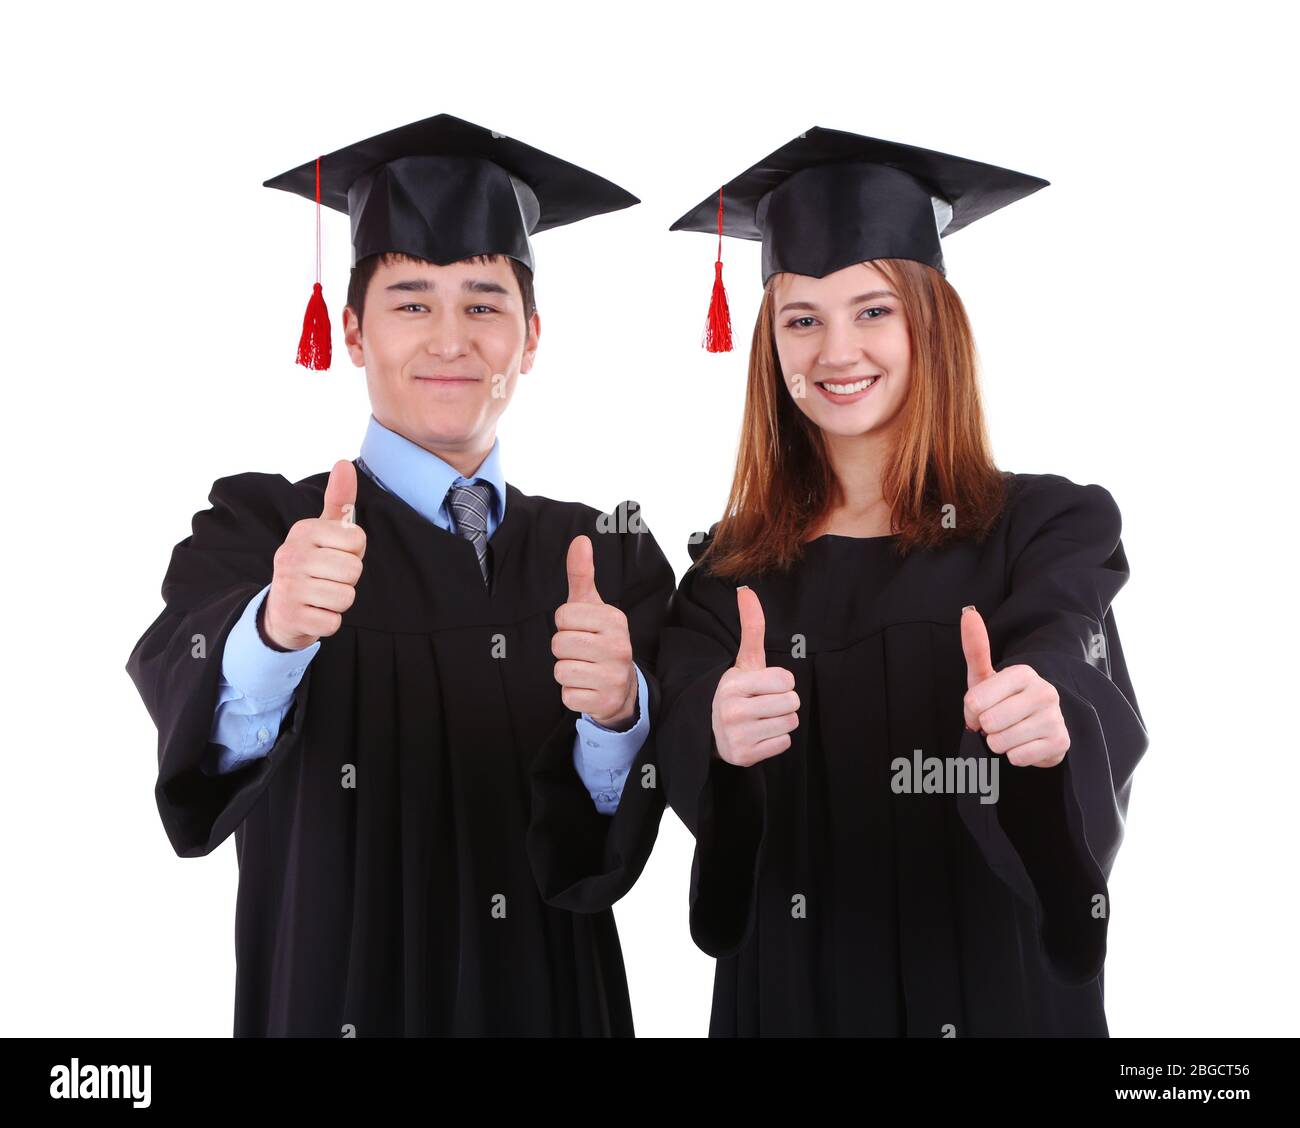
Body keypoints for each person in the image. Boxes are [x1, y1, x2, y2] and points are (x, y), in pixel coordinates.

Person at [125, 113, 674, 1036]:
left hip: (548, 1001)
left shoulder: (605, 556)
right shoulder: (262, 526)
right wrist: (273, 630)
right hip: (338, 990)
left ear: (531, 337)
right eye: (412, 302)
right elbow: (201, 745)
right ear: (351, 330)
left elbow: (627, 834)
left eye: (484, 304)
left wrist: (620, 715)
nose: (450, 340)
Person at [657, 127, 1149, 1036]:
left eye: (873, 310)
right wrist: (714, 734)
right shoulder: (727, 574)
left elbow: (1062, 652)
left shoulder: (1045, 529)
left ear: (933, 319)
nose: (835, 351)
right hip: (793, 996)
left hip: (996, 990)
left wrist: (1045, 723)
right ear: (770, 344)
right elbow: (685, 727)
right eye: (801, 319)